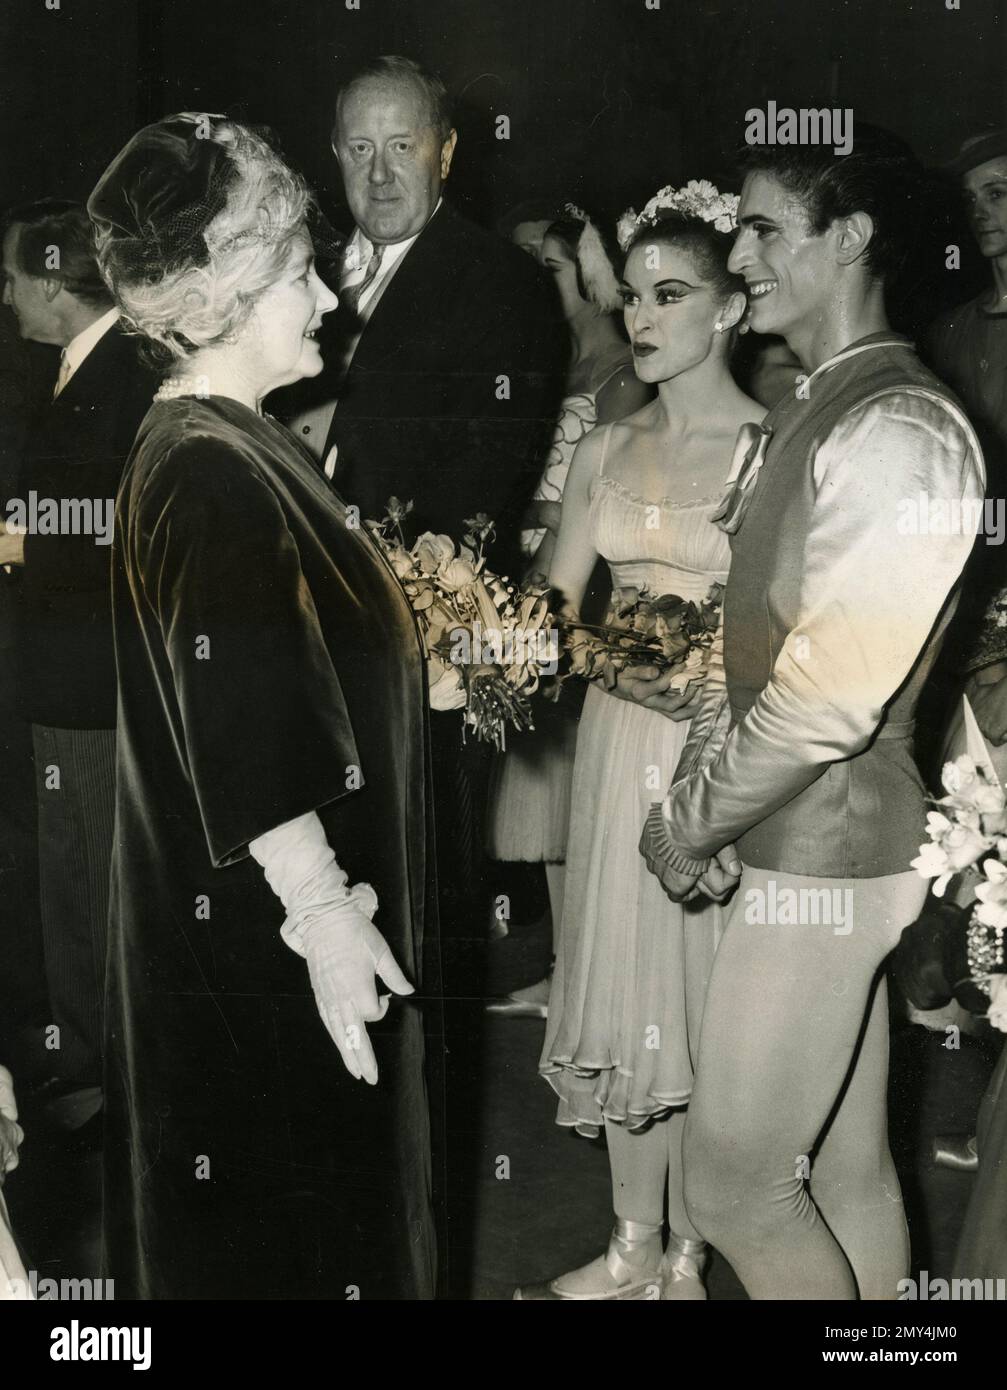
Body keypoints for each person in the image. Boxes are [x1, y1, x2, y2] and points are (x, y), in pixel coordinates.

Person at [88, 113, 436, 1299]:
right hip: (264, 957)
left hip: (254, 943)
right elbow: (246, 725)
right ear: (221, 296)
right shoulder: (206, 471)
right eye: (297, 271)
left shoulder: (230, 443)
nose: (328, 295)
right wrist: (328, 922)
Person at [641, 128, 985, 1299]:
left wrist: (692, 823)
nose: (739, 253)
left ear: (850, 240)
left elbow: (825, 701)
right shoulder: (823, 402)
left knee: (732, 1187)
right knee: (840, 1175)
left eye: (764, 229)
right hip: (807, 842)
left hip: (830, 854)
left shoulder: (897, 428)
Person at [518, 183, 759, 1299]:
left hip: (726, 753)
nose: (641, 319)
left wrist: (701, 684)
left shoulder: (773, 449)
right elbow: (552, 610)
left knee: (713, 1003)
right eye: (630, 298)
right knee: (623, 990)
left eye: (670, 295)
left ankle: (692, 1251)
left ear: (731, 307)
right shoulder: (602, 445)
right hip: (620, 748)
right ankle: (628, 1247)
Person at [281, 55, 564, 570]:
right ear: (336, 153)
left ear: (446, 153)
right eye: (360, 148)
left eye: (403, 147)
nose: (380, 174)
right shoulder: (297, 271)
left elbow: (482, 478)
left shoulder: (504, 285)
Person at [0, 201, 157, 1110]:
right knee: (69, 869)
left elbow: (114, 530)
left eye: (15, 277)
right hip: (62, 672)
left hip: (94, 680)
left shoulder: (127, 376)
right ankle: (88, 1051)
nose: (6, 294)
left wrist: (19, 546)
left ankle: (110, 1074)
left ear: (55, 284)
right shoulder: (76, 368)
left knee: (92, 873)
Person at [486, 207, 649, 1018]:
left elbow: (611, 505)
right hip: (532, 584)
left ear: (592, 275)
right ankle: (560, 966)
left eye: (548, 266)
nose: (531, 283)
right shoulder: (545, 367)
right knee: (547, 803)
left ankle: (596, 978)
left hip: (586, 599)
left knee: (587, 797)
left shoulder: (626, 376)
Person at [928, 132, 1007, 757]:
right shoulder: (949, 331)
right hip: (961, 598)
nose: (979, 212)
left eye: (998, 195)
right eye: (971, 198)